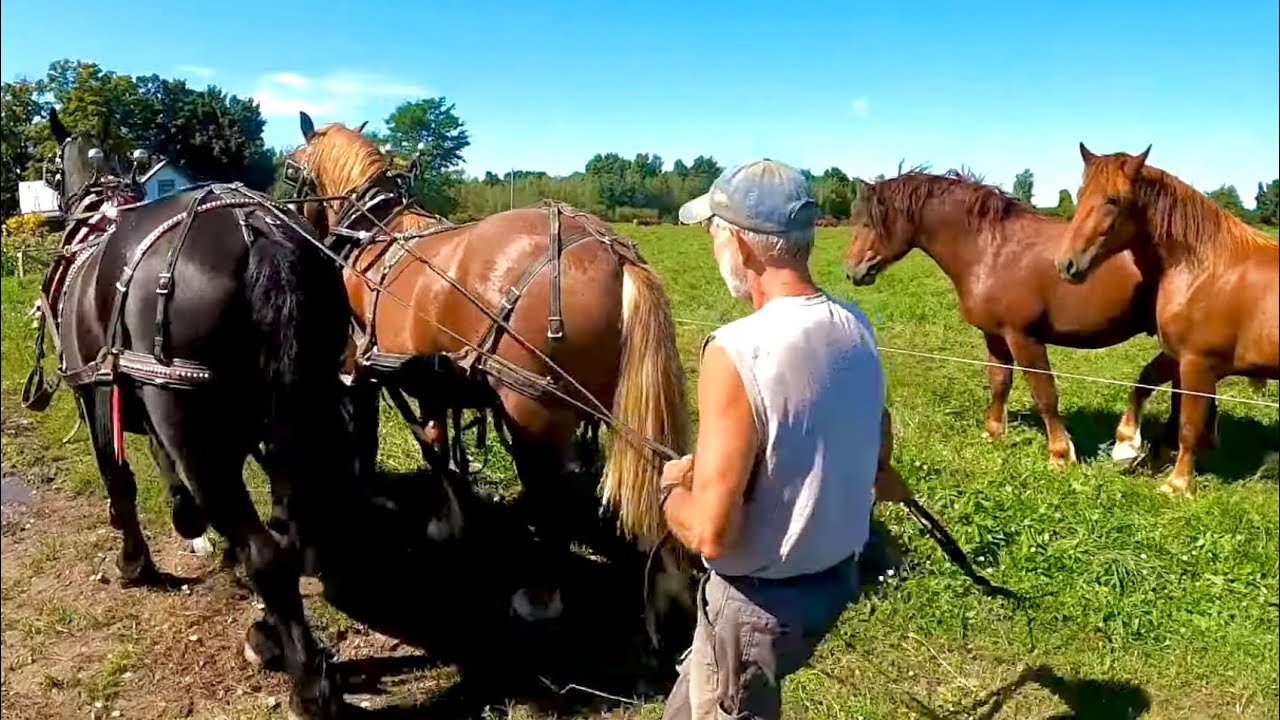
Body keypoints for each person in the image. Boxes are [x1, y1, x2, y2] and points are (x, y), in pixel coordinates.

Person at [659, 159, 911, 719]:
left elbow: (711, 535)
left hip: (754, 611)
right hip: (832, 581)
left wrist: (668, 489)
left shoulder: (735, 349)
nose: (711, 245)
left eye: (712, 232)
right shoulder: (854, 324)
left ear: (740, 246)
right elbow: (871, 438)